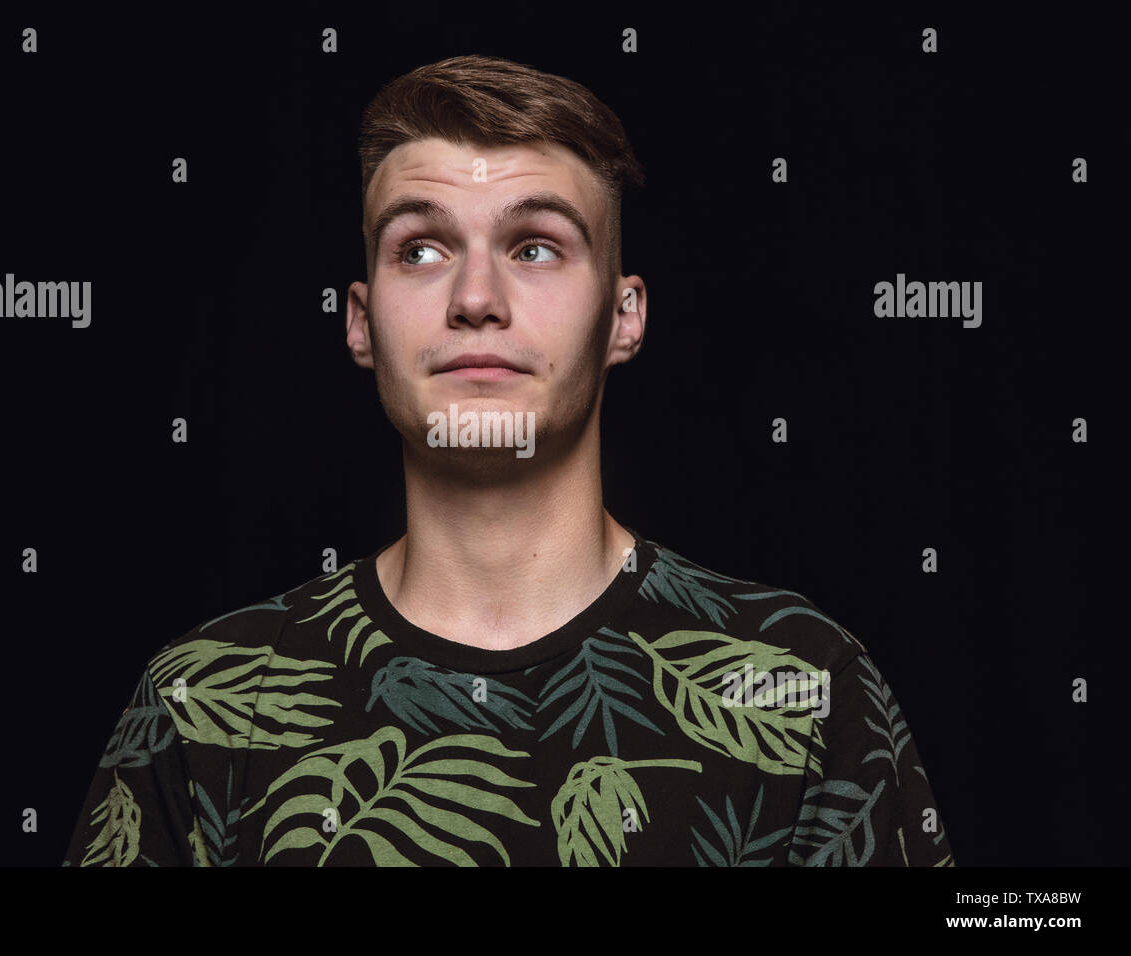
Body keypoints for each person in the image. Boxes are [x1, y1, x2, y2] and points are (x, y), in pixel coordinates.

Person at [63, 54, 954, 867]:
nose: (477, 298)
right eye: (421, 248)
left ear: (624, 315)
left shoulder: (799, 685)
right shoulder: (205, 698)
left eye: (535, 247)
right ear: (361, 321)